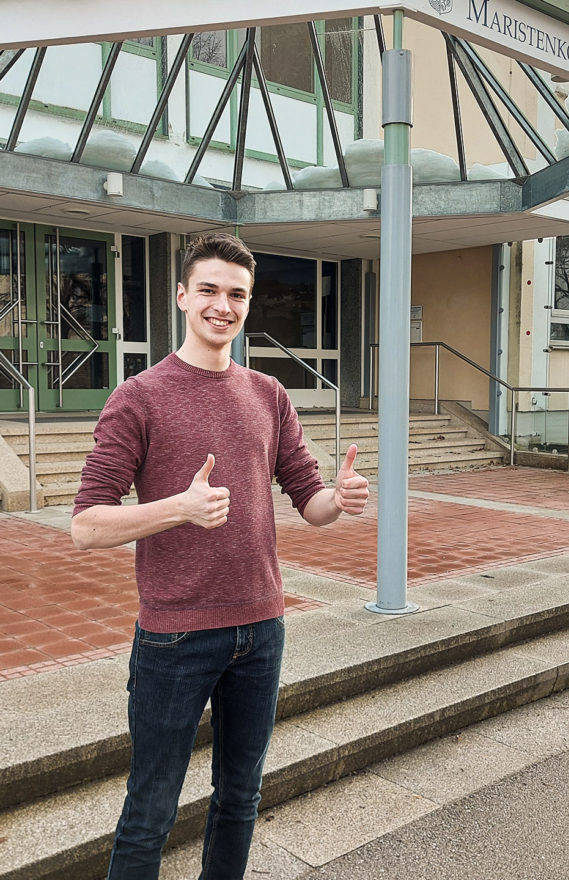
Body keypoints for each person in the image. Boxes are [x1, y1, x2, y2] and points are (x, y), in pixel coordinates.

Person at [71, 232, 369, 880]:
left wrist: (339, 499)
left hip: (262, 630)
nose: (222, 305)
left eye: (236, 294)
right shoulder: (140, 396)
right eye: (208, 289)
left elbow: (309, 501)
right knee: (150, 810)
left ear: (248, 303)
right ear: (181, 296)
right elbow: (86, 526)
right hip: (174, 637)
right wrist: (177, 508)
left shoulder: (269, 394)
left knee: (240, 798)